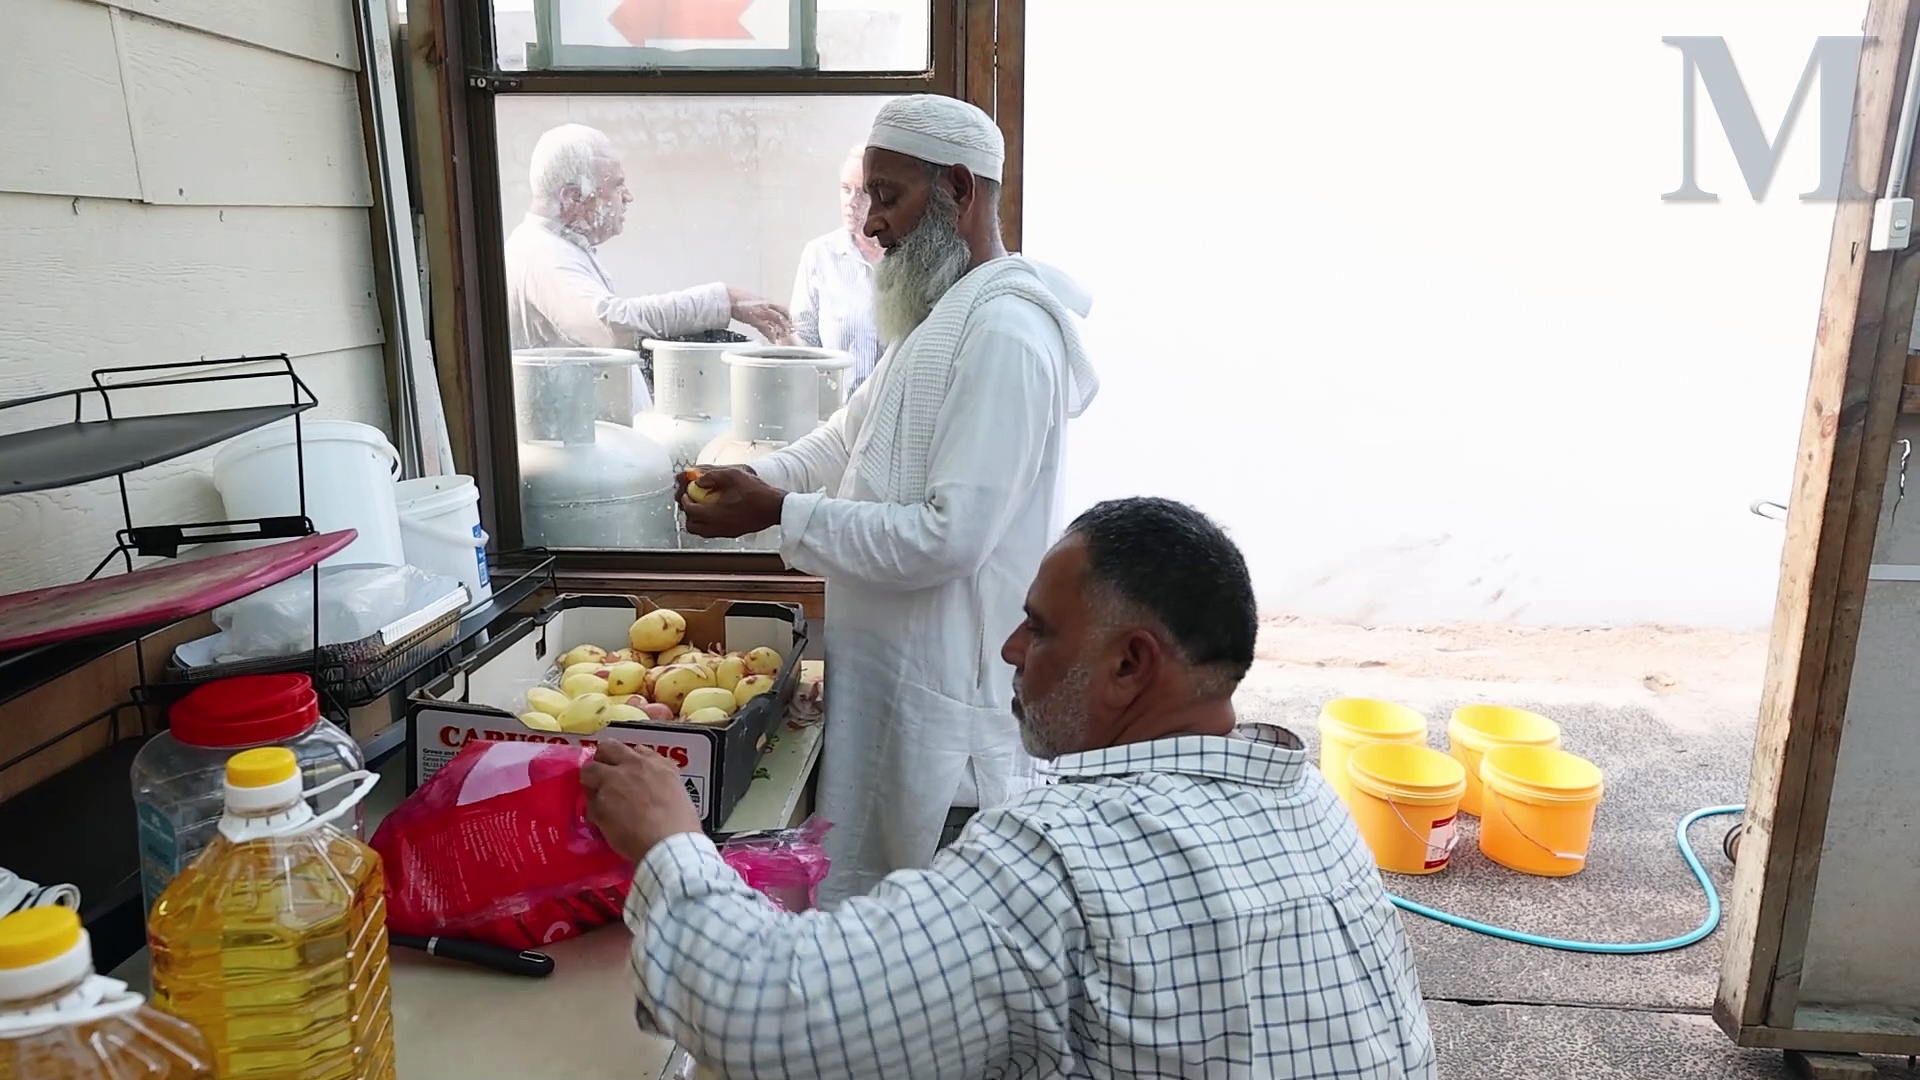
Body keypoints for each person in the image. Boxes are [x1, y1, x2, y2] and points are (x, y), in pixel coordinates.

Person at [582, 496, 1441, 1079]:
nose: (1010, 653)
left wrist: (669, 842)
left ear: (1129, 664)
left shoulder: (1064, 856)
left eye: (1039, 628)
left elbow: (768, 1012)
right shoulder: (1310, 805)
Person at [675, 94, 1101, 905]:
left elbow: (951, 538)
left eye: (888, 196)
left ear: (960, 191)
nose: (867, 224)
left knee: (931, 971)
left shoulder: (1006, 334)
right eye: (866, 197)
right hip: (891, 691)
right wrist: (757, 478)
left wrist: (777, 513)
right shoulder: (942, 316)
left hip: (951, 742)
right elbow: (844, 438)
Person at [503, 123, 791, 394]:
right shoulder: (542, 254)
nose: (628, 197)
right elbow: (611, 326)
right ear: (572, 196)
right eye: (616, 185)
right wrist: (722, 300)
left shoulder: (557, 248)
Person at [785, 144, 884, 392]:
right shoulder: (820, 255)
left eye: (862, 192)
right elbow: (803, 346)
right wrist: (779, 332)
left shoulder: (907, 257)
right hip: (836, 416)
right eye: (845, 189)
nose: (852, 202)